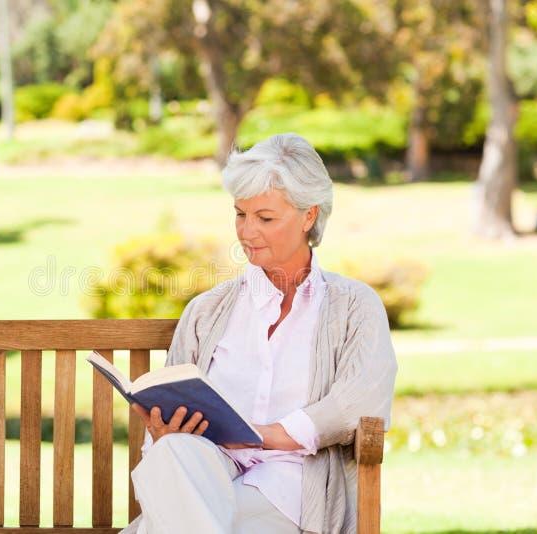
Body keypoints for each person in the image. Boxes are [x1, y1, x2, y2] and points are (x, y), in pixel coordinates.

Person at [121, 133, 397, 534]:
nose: (247, 232)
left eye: (265, 218)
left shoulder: (354, 305)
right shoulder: (206, 311)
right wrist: (165, 432)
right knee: (174, 456)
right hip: (206, 471)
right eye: (240, 214)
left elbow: (358, 403)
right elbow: (171, 411)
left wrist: (263, 437)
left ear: (308, 216)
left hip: (292, 486)